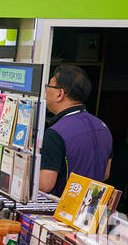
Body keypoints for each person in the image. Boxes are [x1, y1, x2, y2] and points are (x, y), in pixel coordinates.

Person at [38, 64, 112, 198]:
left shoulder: (55, 133)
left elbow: (45, 185)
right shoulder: (103, 127)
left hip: (62, 211)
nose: (46, 91)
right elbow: (105, 174)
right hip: (90, 210)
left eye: (49, 86)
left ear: (60, 93)